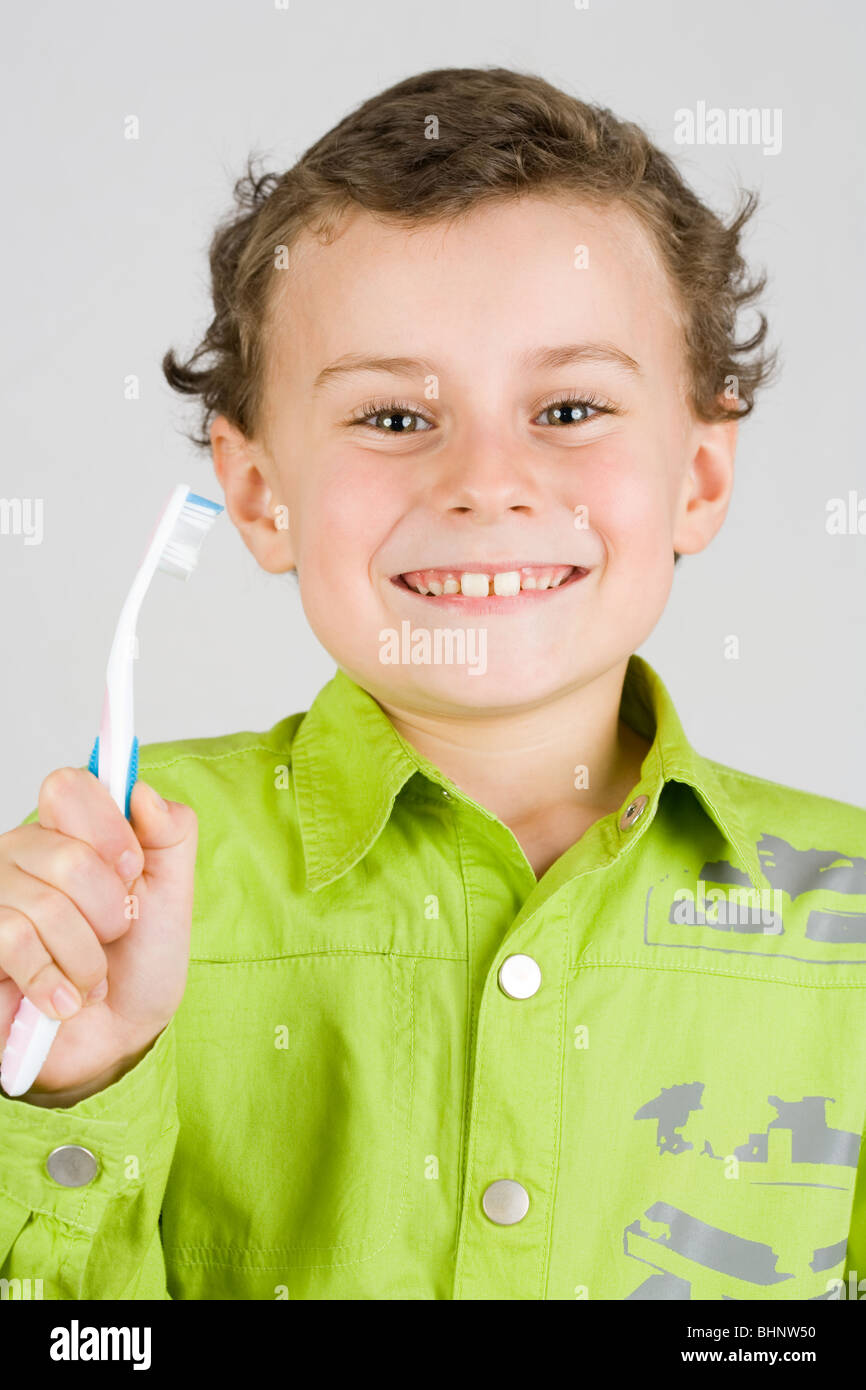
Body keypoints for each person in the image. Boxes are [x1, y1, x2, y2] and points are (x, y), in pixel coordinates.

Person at [2, 66, 865, 1301]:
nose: (486, 481)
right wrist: (72, 1082)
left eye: (568, 406)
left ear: (701, 477)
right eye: (394, 419)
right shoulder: (106, 900)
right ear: (255, 494)